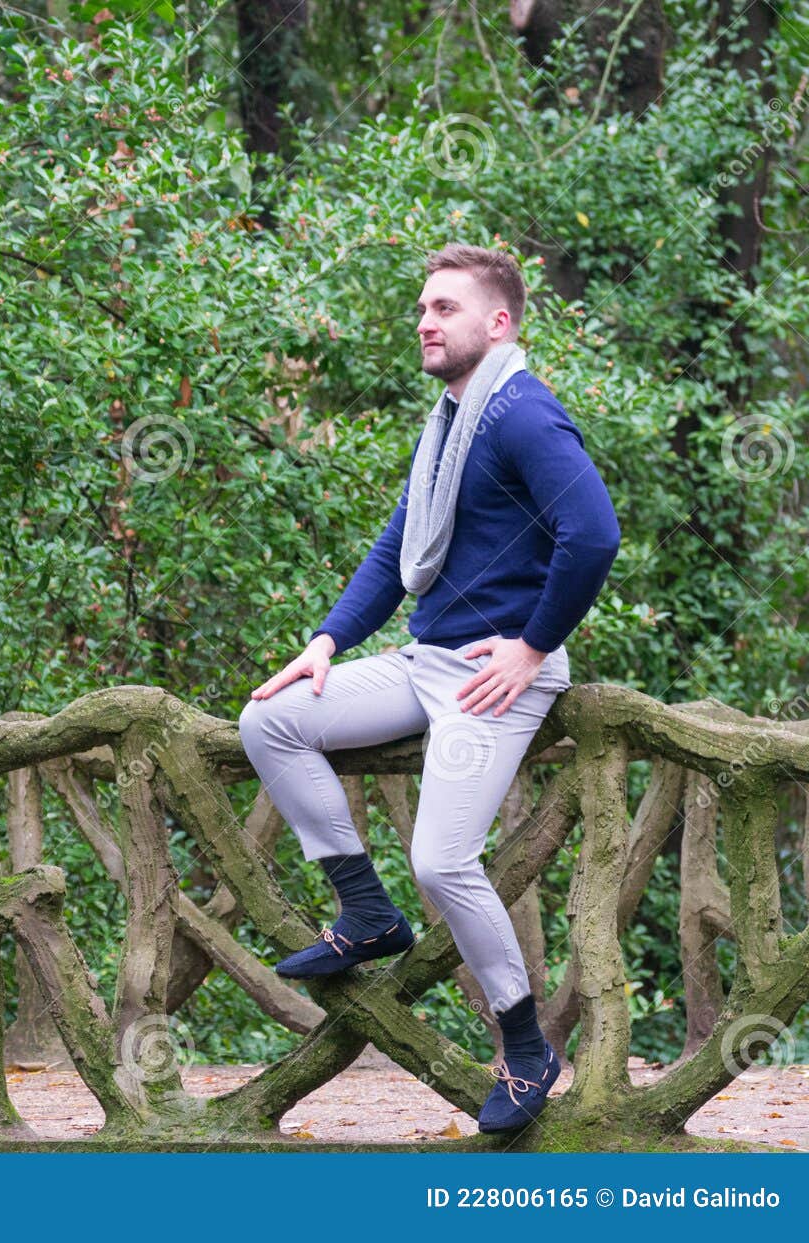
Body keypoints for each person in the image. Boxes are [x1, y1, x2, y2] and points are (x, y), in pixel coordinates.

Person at [237, 243, 620, 1133]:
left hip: (496, 677)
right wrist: (327, 640)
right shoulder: (450, 420)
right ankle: (365, 912)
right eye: (422, 307)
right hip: (427, 661)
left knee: (442, 859)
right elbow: (398, 544)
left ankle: (526, 1047)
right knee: (273, 718)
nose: (424, 321)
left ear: (499, 322)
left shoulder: (521, 413)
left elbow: (592, 534)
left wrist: (532, 649)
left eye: (445, 308)